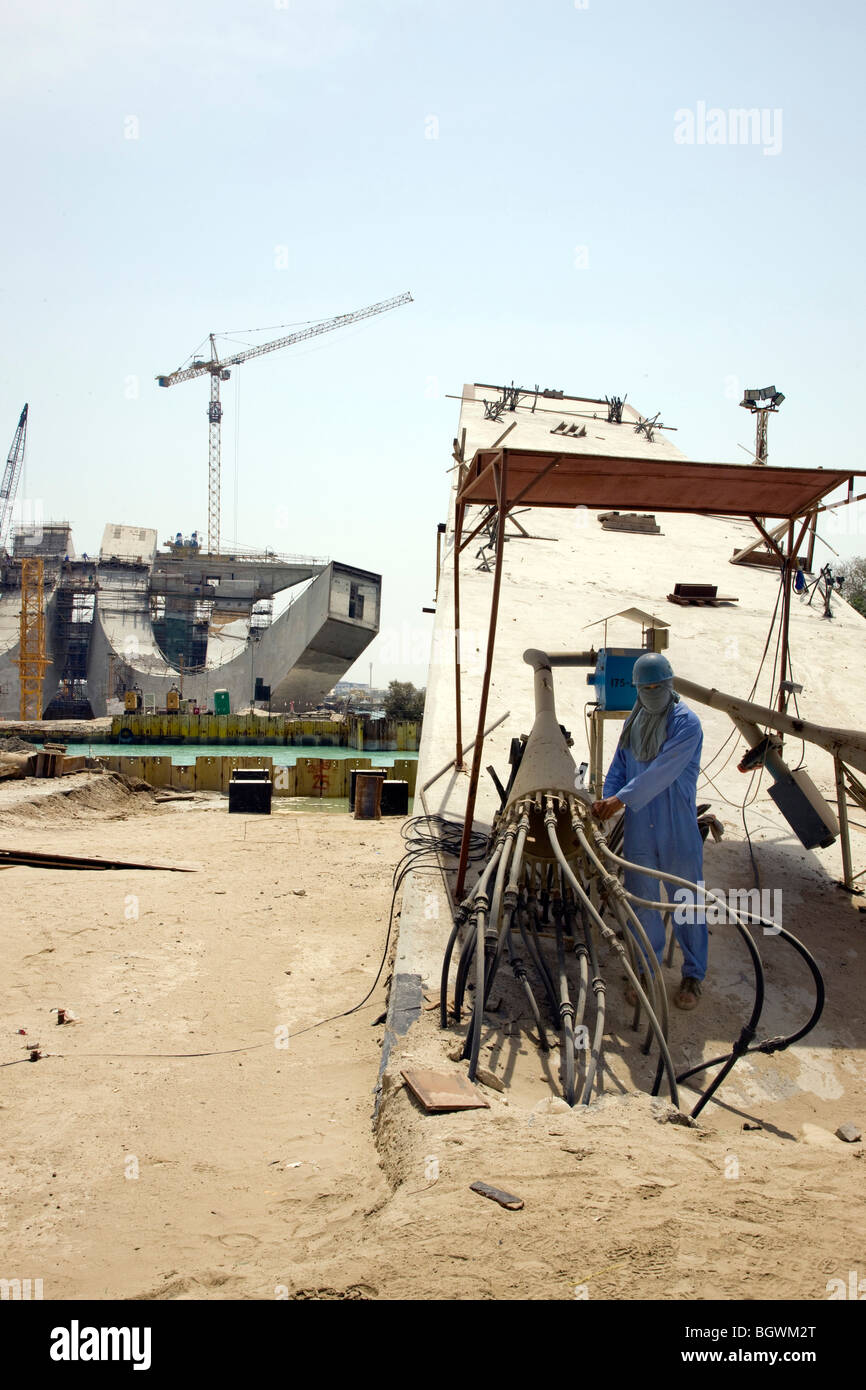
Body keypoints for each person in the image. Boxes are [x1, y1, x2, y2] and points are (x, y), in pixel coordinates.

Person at [591, 651, 707, 1011]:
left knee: (686, 901)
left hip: (677, 827)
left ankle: (693, 973)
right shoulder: (634, 723)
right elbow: (619, 768)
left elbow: (661, 772)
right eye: (647, 687)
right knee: (641, 901)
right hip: (641, 827)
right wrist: (605, 801)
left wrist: (620, 800)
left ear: (671, 686)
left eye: (660, 686)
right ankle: (646, 968)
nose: (654, 692)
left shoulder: (687, 723)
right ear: (637, 690)